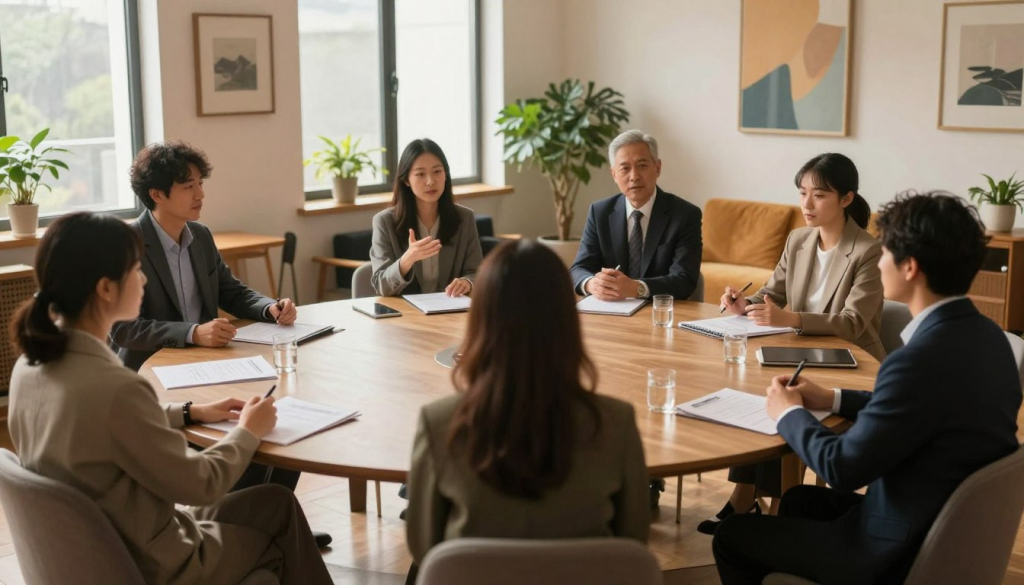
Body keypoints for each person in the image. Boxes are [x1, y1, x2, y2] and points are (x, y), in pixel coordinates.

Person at [712, 192, 1022, 584]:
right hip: (942, 522)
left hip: (896, 550)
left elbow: (841, 467)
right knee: (797, 500)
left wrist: (787, 413)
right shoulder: (990, 338)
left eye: (885, 250)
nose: (877, 260)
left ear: (910, 267)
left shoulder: (916, 361)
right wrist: (832, 397)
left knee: (733, 536)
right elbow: (920, 405)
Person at [8, 212, 332, 585]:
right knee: (275, 533)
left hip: (100, 549)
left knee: (276, 502)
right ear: (106, 289)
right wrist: (248, 432)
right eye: (135, 268)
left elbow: (100, 424)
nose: (143, 278)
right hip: (158, 562)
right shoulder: (116, 388)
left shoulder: (31, 366)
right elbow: (201, 485)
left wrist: (190, 412)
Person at [108, 141, 328, 546]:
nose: (200, 194)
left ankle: (261, 520)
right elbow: (122, 330)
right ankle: (244, 525)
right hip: (156, 377)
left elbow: (232, 290)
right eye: (188, 186)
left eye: (200, 184)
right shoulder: (129, 242)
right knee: (244, 426)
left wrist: (269, 308)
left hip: (212, 366)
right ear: (157, 194)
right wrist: (192, 333)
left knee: (281, 418)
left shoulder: (201, 236)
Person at [406, 240, 650, 575]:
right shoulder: (616, 422)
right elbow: (633, 542)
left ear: (481, 320)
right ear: (567, 319)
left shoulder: (439, 423)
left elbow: (424, 549)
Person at [700, 153, 885, 535]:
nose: (806, 204)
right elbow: (774, 292)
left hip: (852, 362)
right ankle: (747, 496)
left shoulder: (867, 251)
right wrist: (745, 304)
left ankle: (776, 507)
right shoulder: (799, 239)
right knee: (758, 389)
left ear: (847, 198)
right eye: (802, 193)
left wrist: (792, 320)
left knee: (783, 394)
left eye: (819, 195)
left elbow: (852, 323)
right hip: (800, 352)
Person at [569, 129, 702, 301]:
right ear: (614, 174)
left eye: (642, 166)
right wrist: (591, 283)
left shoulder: (685, 215)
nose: (634, 177)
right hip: (610, 312)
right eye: (625, 168)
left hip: (660, 313)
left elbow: (685, 280)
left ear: (657, 167)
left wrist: (637, 288)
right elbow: (578, 268)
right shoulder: (600, 212)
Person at [371, 138, 483, 297]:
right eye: (420, 174)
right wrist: (408, 259)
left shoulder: (465, 218)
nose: (430, 181)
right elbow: (381, 286)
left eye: (437, 171)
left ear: (446, 174)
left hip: (450, 312)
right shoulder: (385, 222)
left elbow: (476, 273)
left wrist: (467, 283)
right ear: (406, 180)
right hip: (405, 316)